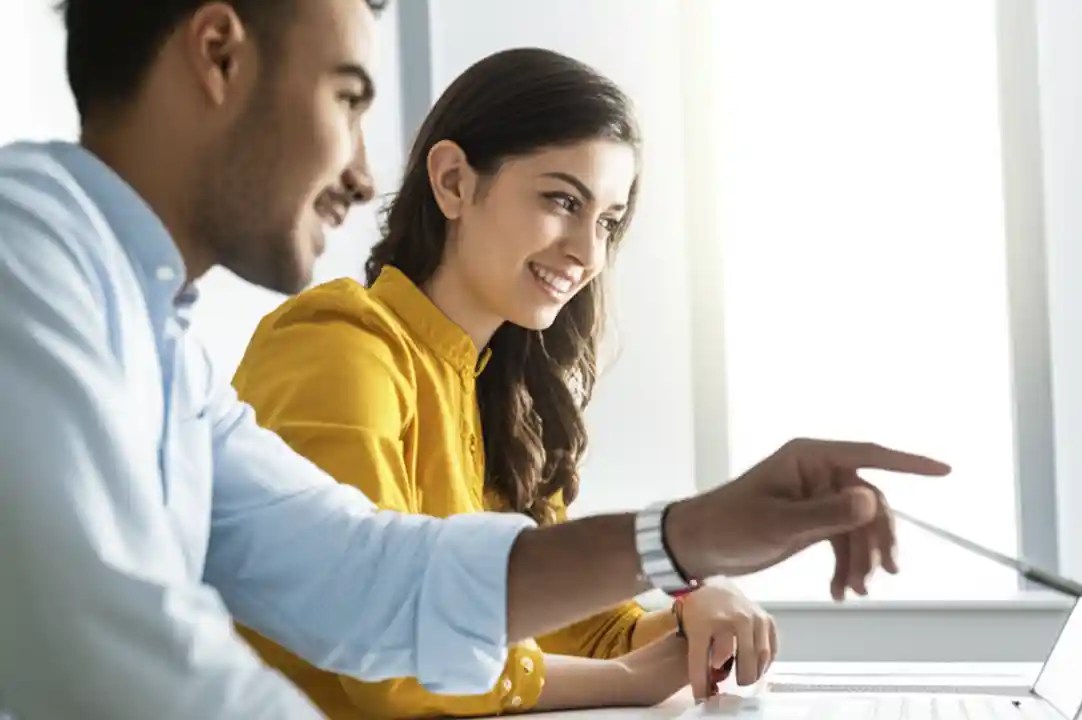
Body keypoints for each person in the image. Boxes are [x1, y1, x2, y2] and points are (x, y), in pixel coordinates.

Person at [0, 1, 950, 718]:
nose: (367, 175)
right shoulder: (24, 258)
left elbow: (378, 581)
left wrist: (689, 538)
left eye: (608, 219)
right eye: (346, 98)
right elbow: (116, 653)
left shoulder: (160, 345)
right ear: (218, 56)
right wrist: (623, 670)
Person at [230, 47, 775, 717]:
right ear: (454, 181)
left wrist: (689, 616)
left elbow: (572, 627)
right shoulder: (336, 349)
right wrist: (631, 679)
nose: (588, 252)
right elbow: (386, 663)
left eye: (606, 220)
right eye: (560, 200)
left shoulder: (499, 397)